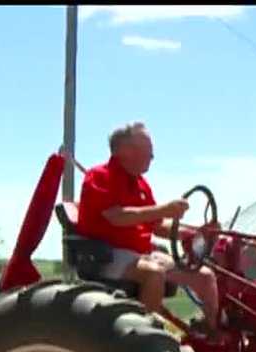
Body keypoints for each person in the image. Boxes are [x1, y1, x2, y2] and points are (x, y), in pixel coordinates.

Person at [76, 121, 221, 335]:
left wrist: (192, 233)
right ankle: (143, 337)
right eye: (148, 151)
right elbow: (117, 217)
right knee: (154, 274)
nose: (152, 157)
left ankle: (212, 334)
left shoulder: (140, 184)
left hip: (140, 254)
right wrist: (163, 209)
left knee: (205, 276)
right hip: (107, 255)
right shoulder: (99, 176)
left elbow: (157, 225)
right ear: (126, 151)